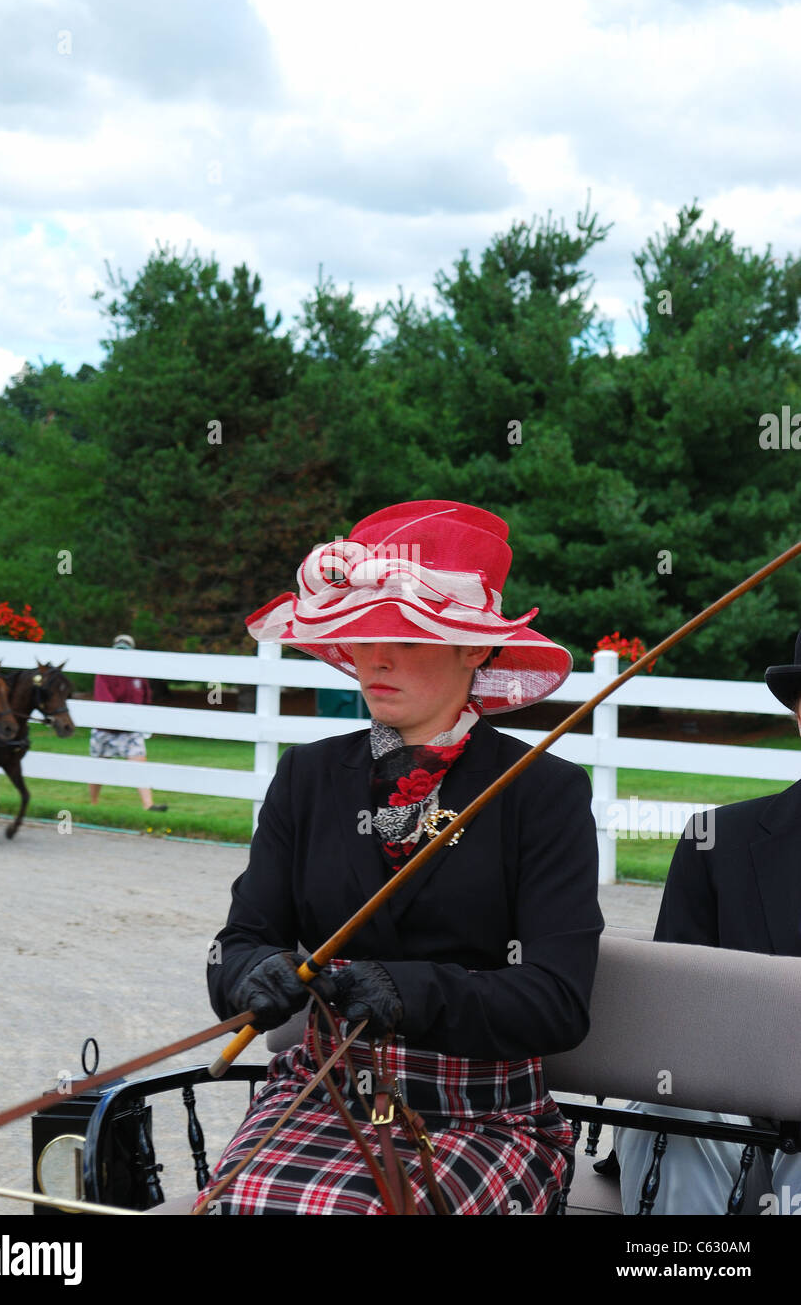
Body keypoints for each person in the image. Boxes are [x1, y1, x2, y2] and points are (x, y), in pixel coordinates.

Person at [196, 499, 604, 1215]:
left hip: (482, 1113)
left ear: (474, 650)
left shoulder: (542, 791)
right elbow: (241, 941)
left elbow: (557, 1003)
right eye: (361, 633)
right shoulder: (308, 776)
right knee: (242, 1206)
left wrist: (410, 990)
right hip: (321, 1094)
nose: (373, 657)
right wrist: (249, 976)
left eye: (408, 637)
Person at [614, 629, 801, 1215]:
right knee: (676, 1107)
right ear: (800, 713)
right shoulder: (716, 841)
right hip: (725, 1123)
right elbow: (675, 1027)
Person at [88, 634, 167, 812]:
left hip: (131, 729)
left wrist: (142, 720)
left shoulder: (138, 674)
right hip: (106, 728)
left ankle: (149, 805)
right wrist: (119, 718)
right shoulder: (104, 672)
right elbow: (104, 700)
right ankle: (93, 803)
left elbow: (145, 699)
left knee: (139, 762)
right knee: (98, 767)